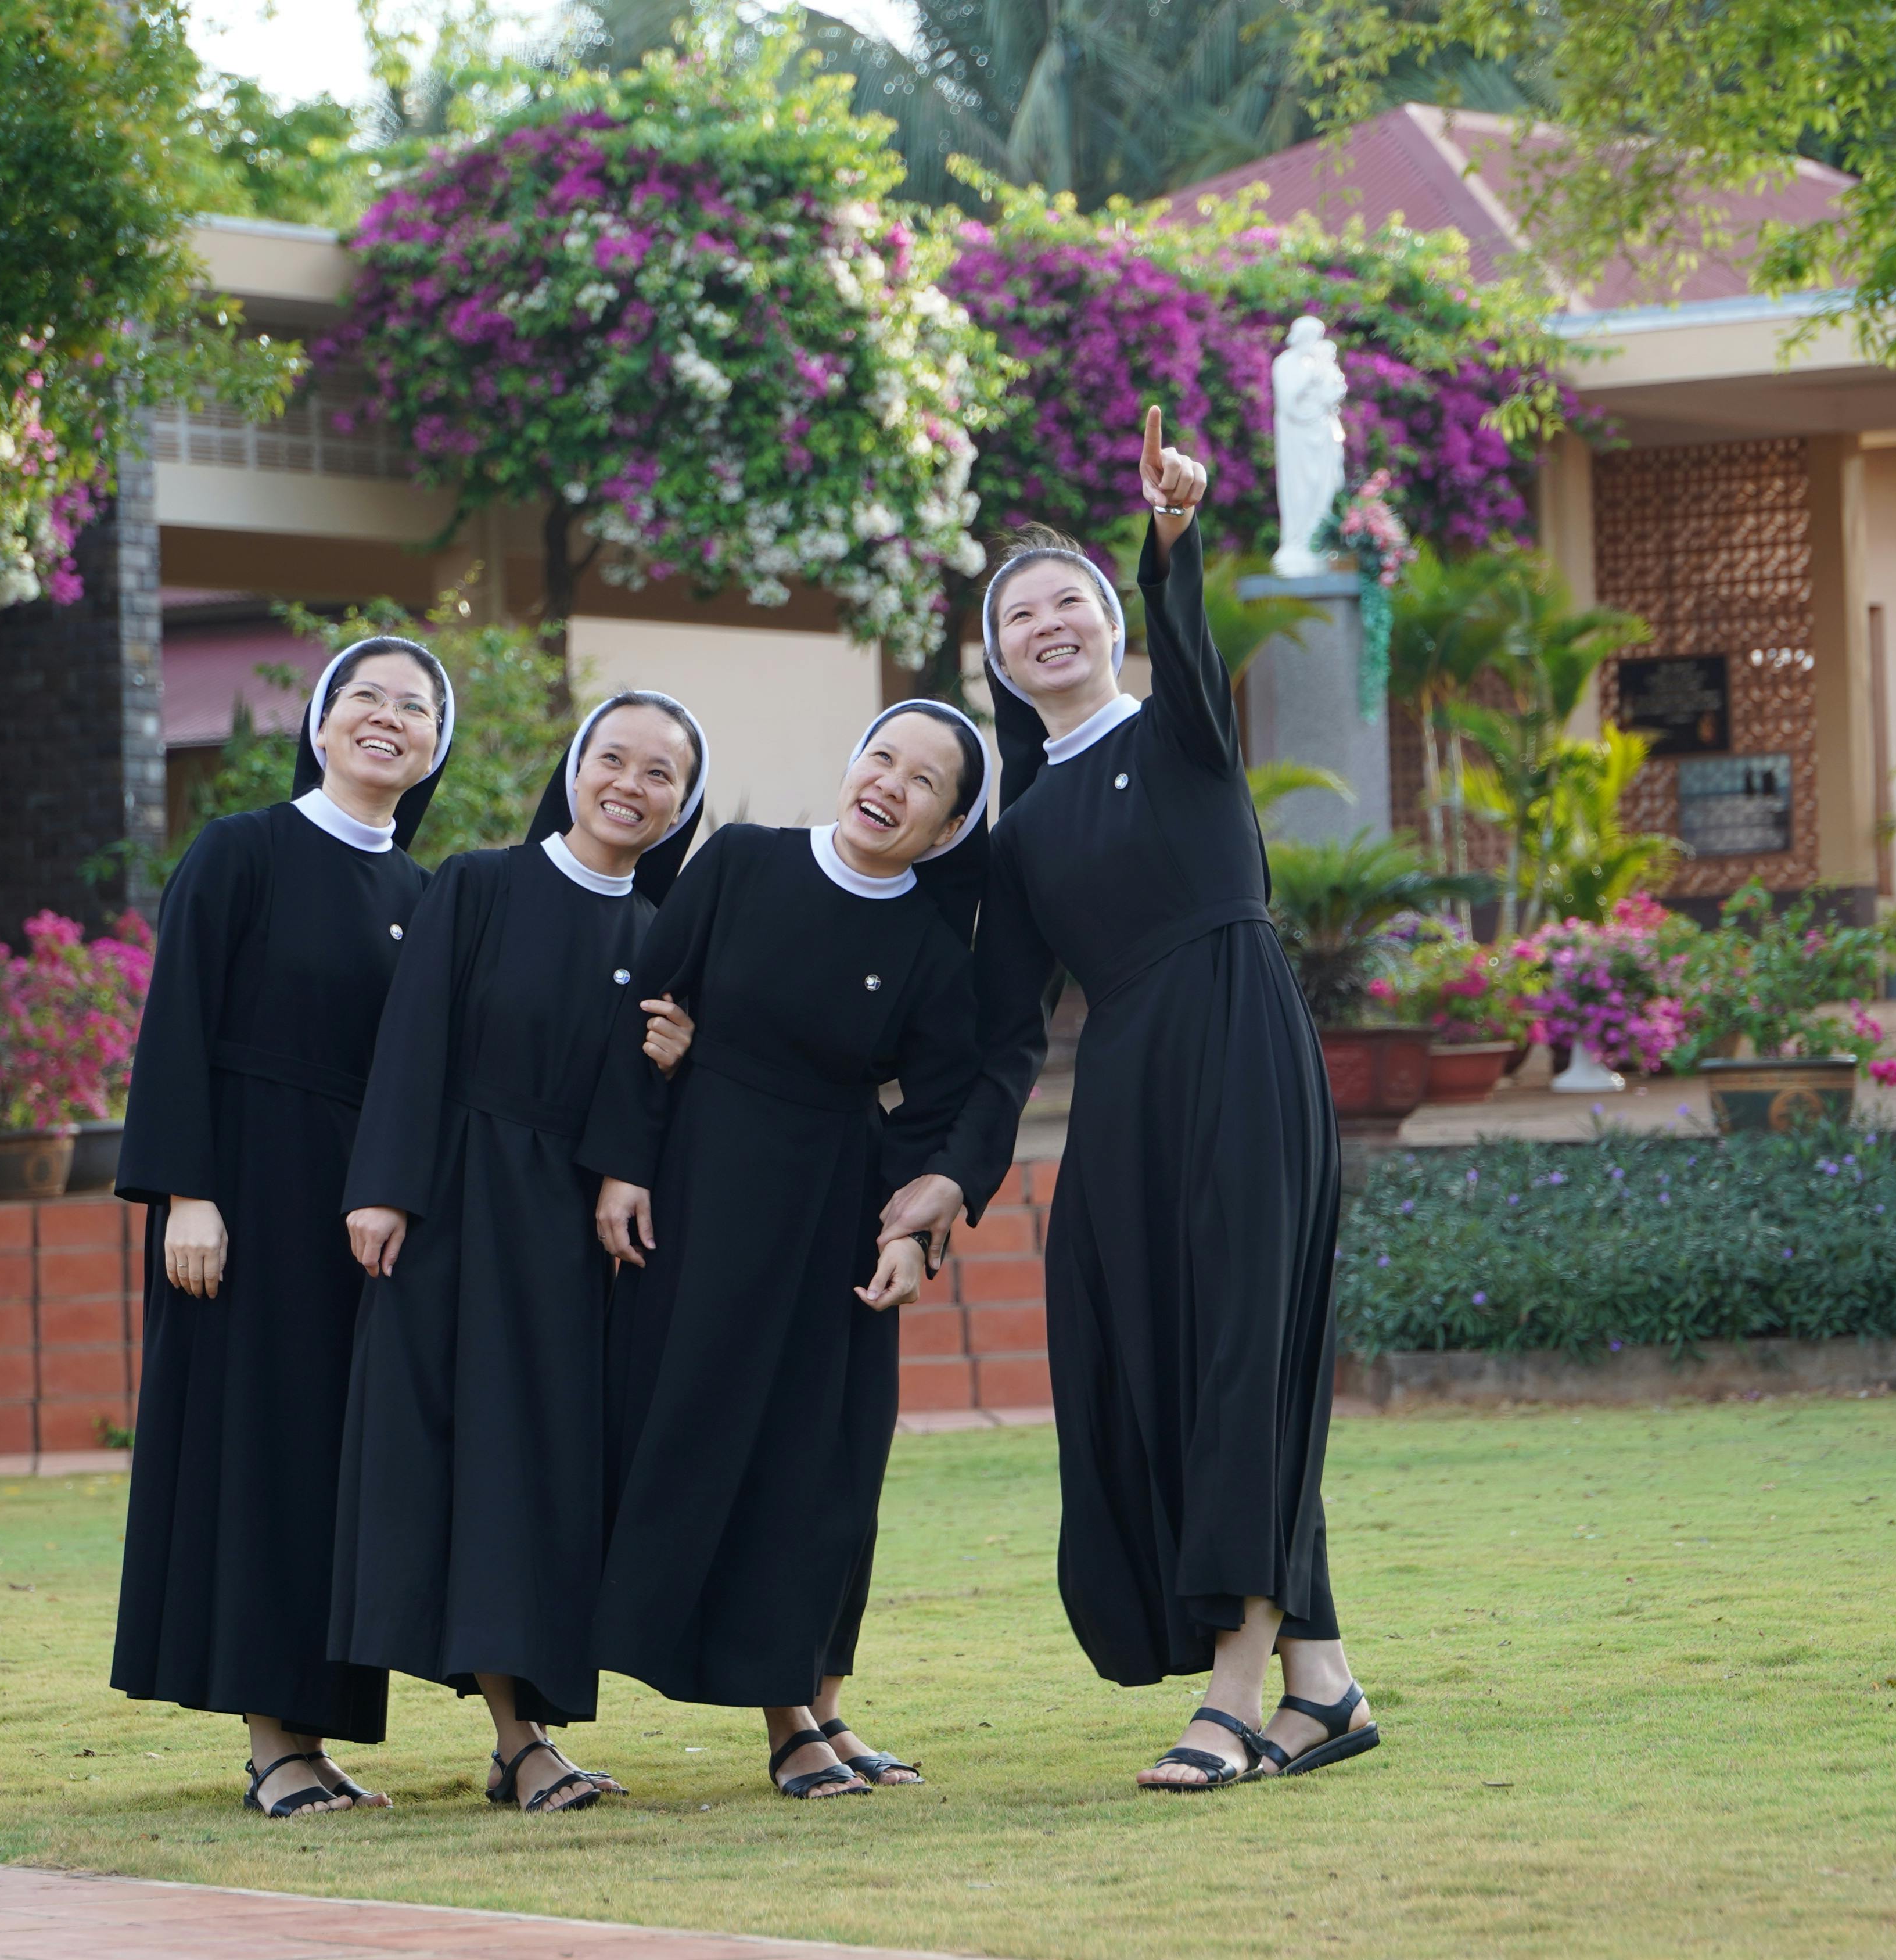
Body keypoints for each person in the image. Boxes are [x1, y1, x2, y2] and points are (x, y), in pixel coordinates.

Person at [880, 411, 1382, 1791]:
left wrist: (1172, 532)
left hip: (1239, 1050)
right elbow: (998, 1034)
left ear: (1111, 624)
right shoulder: (1020, 825)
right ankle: (1321, 1681)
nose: (1047, 623)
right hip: (1122, 1099)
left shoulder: (1183, 732)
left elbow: (1189, 632)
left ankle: (1233, 1695)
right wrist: (945, 1178)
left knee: (1238, 1354)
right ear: (994, 655)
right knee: (1157, 1357)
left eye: (1069, 602)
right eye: (1018, 614)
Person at [583, 701, 989, 1801]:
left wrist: (913, 1234)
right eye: (883, 759)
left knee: (828, 1464)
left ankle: (821, 1699)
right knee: (720, 1440)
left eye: (925, 784)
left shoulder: (931, 946)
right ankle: (783, 1719)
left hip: (835, 1218)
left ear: (948, 827)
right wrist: (625, 1162)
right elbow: (651, 1007)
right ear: (852, 764)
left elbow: (943, 1108)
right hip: (706, 1200)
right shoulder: (743, 862)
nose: (892, 787)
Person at [327, 692, 711, 1816]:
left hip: (571, 1240)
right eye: (615, 760)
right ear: (577, 764)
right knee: (472, 1472)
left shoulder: (660, 934)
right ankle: (520, 1738)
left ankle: (521, 1738)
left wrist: (675, 1063)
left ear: (682, 805)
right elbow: (416, 1040)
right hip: (454, 1213)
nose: (631, 787)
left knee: (544, 1478)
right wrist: (385, 1189)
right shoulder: (479, 884)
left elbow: (643, 1121)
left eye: (661, 776)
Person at [111, 636, 453, 1821]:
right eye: (366, 696)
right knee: (258, 1462)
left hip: (358, 1225)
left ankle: (314, 1731)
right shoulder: (242, 850)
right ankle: (272, 1744)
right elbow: (180, 1019)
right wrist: (184, 1190)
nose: (389, 718)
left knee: (337, 1473)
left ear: (433, 748)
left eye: (415, 707)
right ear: (319, 722)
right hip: (246, 1199)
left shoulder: (423, 895)